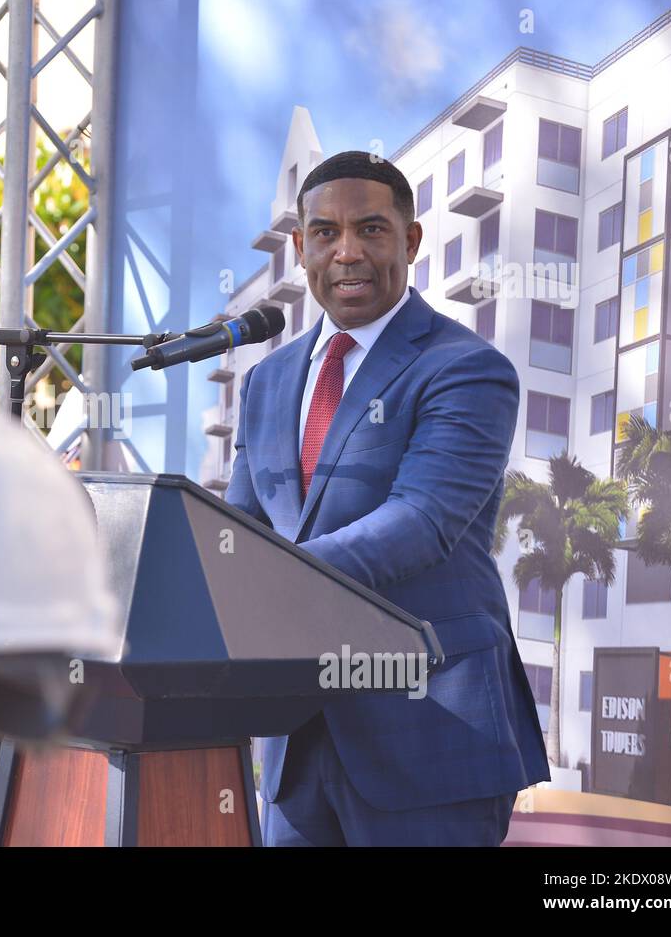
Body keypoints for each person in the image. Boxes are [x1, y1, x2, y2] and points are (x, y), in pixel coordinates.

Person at [225, 150, 550, 846]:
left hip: (430, 733)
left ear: (410, 240)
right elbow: (239, 529)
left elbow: (421, 521)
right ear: (300, 247)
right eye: (325, 233)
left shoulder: (465, 368)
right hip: (296, 739)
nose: (348, 252)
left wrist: (275, 583)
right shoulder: (268, 380)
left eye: (371, 229)